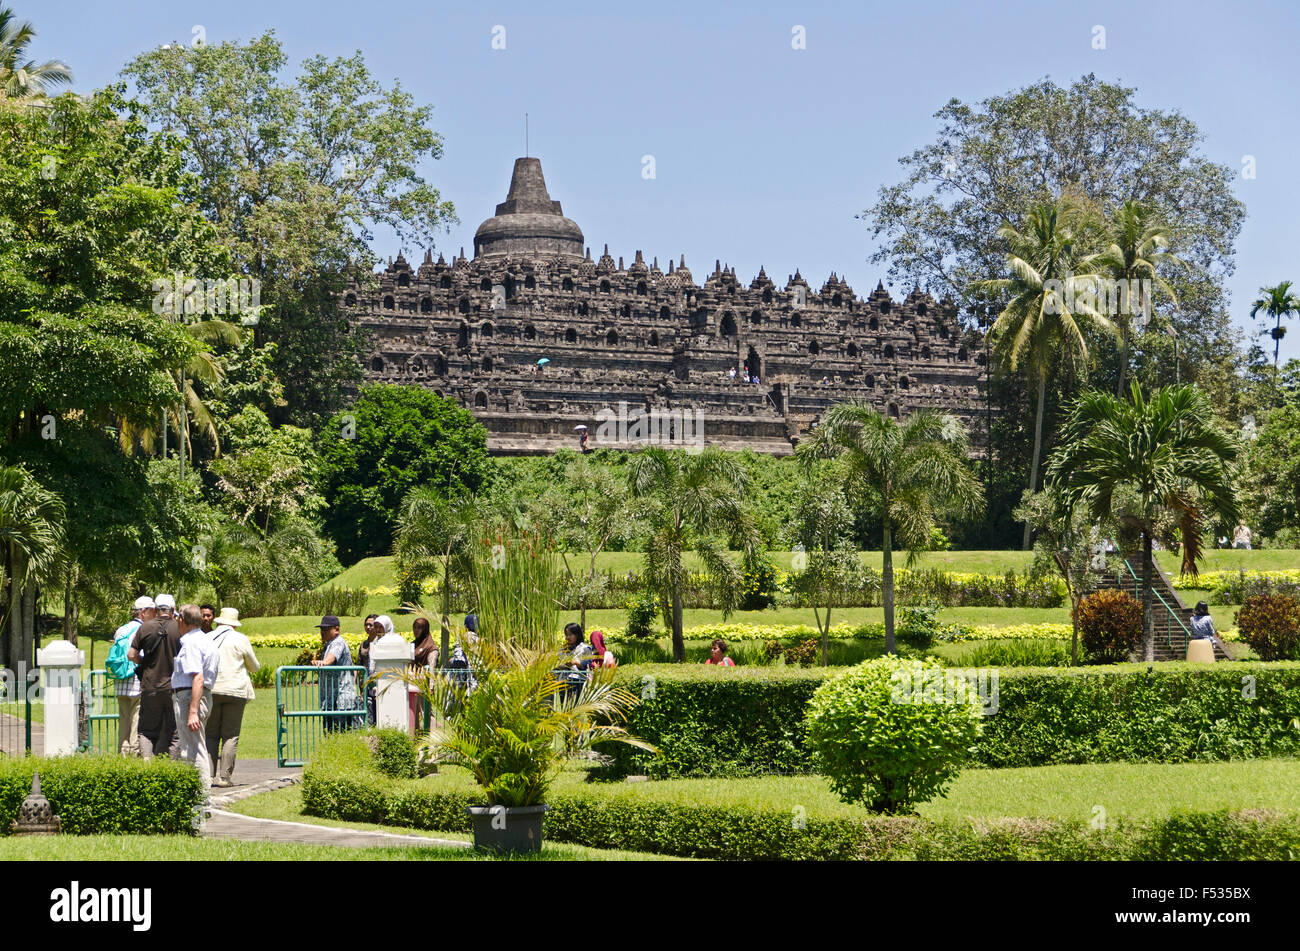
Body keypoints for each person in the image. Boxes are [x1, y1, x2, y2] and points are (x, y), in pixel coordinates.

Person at [171, 603, 220, 805]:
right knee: (194, 746)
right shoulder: (206, 640)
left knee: (193, 749)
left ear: (182, 621)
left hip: (190, 697)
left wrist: (192, 711)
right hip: (200, 697)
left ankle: (199, 798)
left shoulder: (191, 643)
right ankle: (198, 795)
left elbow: (197, 678)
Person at [206, 607, 260, 788]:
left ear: (219, 621)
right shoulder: (240, 639)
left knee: (210, 734)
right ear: (234, 624)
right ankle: (224, 777)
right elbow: (254, 667)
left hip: (212, 689)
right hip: (235, 691)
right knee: (230, 735)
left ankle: (208, 775)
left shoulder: (208, 638)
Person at [130, 593, 183, 759]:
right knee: (175, 732)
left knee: (147, 730)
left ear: (157, 610)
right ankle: (173, 768)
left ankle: (147, 765)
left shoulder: (145, 627)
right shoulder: (179, 628)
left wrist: (144, 661)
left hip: (150, 685)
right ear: (173, 610)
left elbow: (131, 655)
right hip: (174, 686)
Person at [112, 596, 154, 757]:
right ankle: (134, 756)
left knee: (123, 720)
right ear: (143, 612)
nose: (154, 614)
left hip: (121, 680)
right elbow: (139, 655)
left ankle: (122, 755)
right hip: (136, 681)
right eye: (152, 611)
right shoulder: (142, 630)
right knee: (137, 721)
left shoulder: (121, 629)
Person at [312, 615, 362, 732]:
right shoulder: (330, 643)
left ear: (336, 629)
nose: (322, 632)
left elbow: (332, 657)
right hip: (331, 701)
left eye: (326, 629)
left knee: (340, 734)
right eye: (321, 629)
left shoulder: (338, 642)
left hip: (341, 701)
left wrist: (324, 662)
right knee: (330, 734)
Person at [409, 617, 438, 734]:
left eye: (419, 628)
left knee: (426, 712)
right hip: (411, 683)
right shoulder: (412, 645)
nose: (416, 630)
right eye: (414, 627)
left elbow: (432, 667)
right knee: (413, 712)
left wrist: (430, 686)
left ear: (425, 629)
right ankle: (415, 738)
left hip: (424, 683)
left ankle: (433, 739)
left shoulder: (431, 647)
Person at [357, 614, 380, 726]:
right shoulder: (363, 645)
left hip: (378, 683)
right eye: (366, 625)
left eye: (371, 625)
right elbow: (358, 664)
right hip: (365, 683)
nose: (368, 627)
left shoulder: (381, 643)